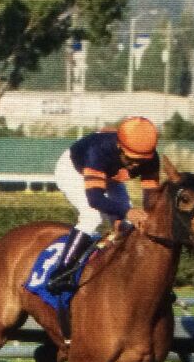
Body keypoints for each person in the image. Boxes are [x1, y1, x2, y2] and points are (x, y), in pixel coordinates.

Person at [46, 115, 161, 294]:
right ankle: (62, 272)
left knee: (128, 226)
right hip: (74, 170)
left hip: (111, 175)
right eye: (131, 159)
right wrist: (126, 211)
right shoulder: (98, 150)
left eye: (142, 161)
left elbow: (152, 199)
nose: (135, 165)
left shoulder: (151, 159)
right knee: (92, 217)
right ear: (119, 147)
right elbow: (95, 199)